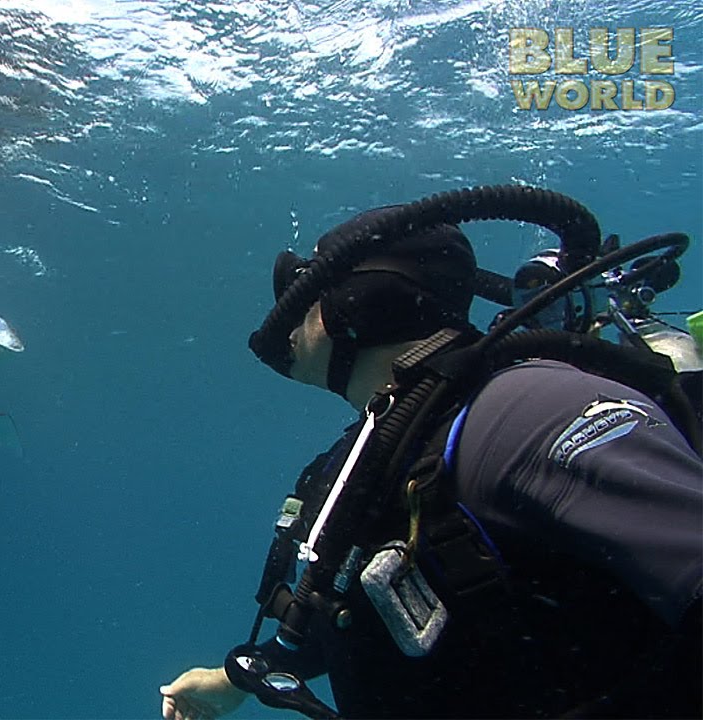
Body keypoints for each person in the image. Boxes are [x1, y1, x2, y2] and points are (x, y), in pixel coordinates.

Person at [160, 188, 703, 720]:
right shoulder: (376, 449)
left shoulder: (526, 412)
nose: (289, 313)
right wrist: (230, 683)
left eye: (308, 289)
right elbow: (365, 609)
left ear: (357, 303)